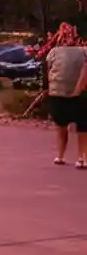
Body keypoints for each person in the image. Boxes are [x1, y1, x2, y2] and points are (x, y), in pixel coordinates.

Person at [45, 31, 87, 167]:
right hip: (71, 94)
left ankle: (70, 156)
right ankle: (77, 157)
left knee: (66, 127)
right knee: (79, 128)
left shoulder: (55, 52)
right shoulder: (82, 52)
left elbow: (48, 70)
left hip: (62, 93)